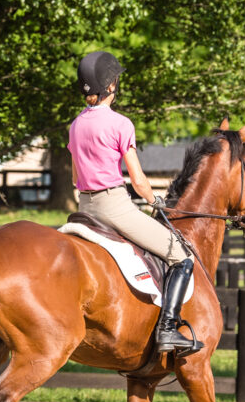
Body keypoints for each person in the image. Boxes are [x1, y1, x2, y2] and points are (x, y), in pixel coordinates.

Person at [67, 50, 199, 353]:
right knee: (181, 255)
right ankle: (167, 329)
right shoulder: (120, 124)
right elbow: (138, 181)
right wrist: (157, 201)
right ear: (111, 86)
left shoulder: (75, 125)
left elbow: (76, 175)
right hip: (115, 208)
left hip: (84, 209)